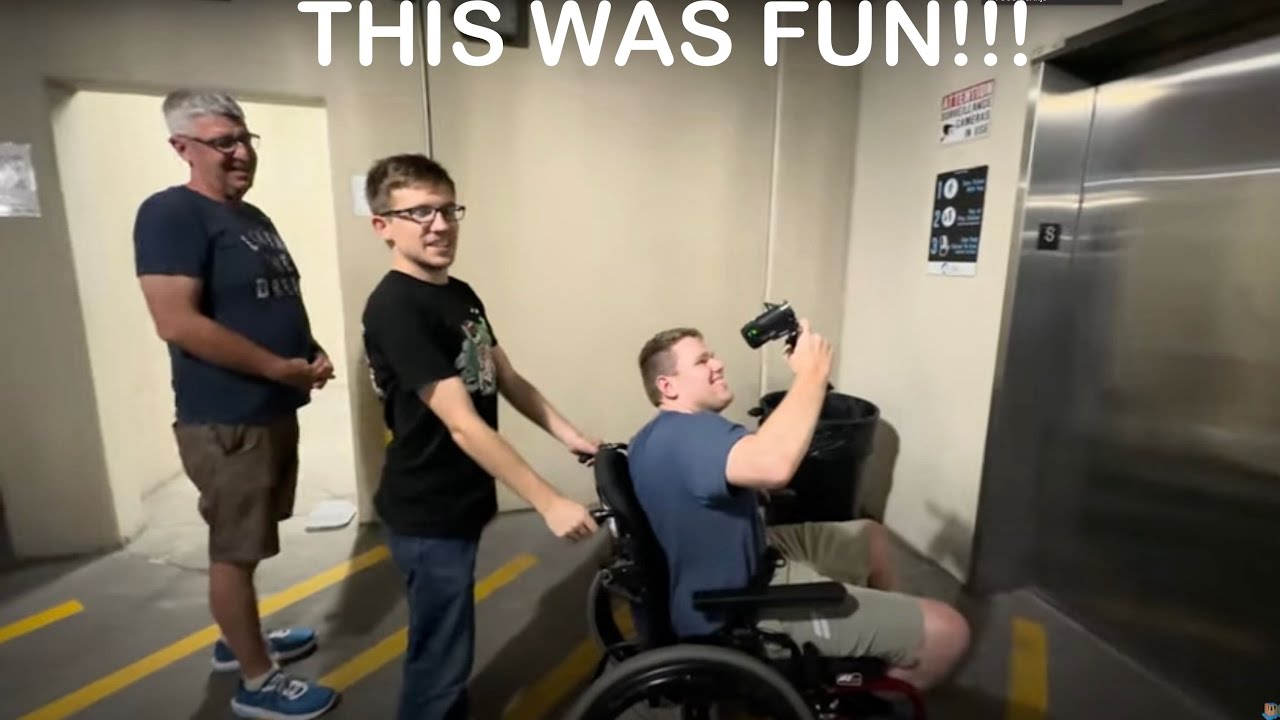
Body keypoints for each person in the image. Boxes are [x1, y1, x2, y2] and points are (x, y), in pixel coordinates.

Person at [359, 153, 601, 720]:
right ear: (383, 226)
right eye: (420, 212)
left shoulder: (459, 292)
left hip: (461, 496)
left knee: (448, 636)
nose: (440, 225)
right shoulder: (395, 306)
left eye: (448, 210)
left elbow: (505, 376)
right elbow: (463, 423)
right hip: (427, 508)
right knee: (440, 654)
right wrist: (548, 501)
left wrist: (570, 434)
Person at [133, 90, 339, 719]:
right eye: (224, 142)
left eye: (245, 139)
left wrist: (309, 350)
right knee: (235, 549)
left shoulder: (251, 218)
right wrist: (276, 366)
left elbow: (269, 299)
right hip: (226, 418)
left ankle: (238, 638)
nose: (241, 152)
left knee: (252, 539)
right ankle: (256, 680)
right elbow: (175, 321)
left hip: (270, 408)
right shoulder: (171, 214)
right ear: (182, 148)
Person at [627, 323, 970, 691]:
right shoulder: (688, 434)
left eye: (712, 356)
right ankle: (861, 691)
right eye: (702, 361)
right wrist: (812, 373)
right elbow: (774, 465)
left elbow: (701, 486)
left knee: (870, 535)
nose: (718, 364)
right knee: (949, 632)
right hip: (738, 603)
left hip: (750, 553)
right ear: (668, 386)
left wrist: (746, 489)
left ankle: (884, 633)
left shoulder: (654, 438)